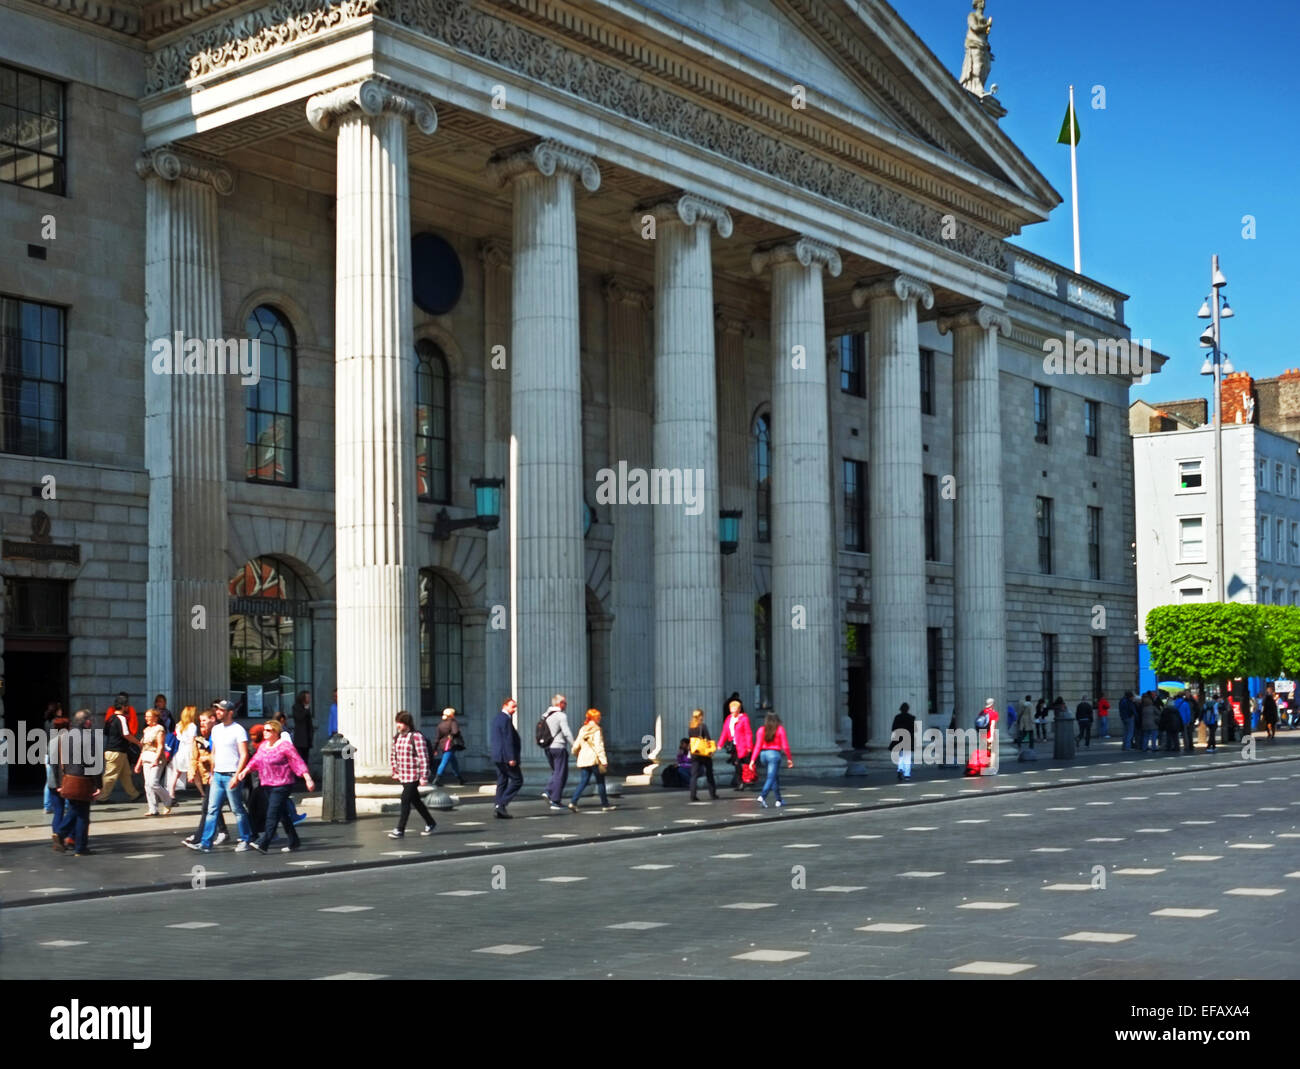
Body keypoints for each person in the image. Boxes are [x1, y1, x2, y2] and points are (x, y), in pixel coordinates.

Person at [233, 718, 315, 851]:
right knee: (282, 814)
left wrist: (307, 778)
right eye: (264, 730)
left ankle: (264, 842)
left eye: (268, 730)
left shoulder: (285, 746)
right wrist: (245, 771)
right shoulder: (264, 746)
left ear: (276, 732)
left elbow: (297, 762)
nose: (265, 732)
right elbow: (256, 760)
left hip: (282, 784)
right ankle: (294, 841)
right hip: (267, 785)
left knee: (272, 813)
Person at [184, 700, 253, 852]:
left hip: (231, 774)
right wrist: (212, 773)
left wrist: (237, 775)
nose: (218, 712)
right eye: (217, 710)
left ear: (230, 712)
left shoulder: (238, 730)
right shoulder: (216, 730)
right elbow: (214, 753)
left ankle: (245, 839)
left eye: (221, 710)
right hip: (218, 775)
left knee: (237, 809)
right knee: (212, 809)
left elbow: (244, 754)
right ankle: (205, 842)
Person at [54, 710, 101, 856]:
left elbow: (57, 763)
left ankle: (66, 837)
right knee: (82, 814)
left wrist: (59, 782)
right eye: (90, 720)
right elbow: (94, 763)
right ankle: (77, 845)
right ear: (86, 721)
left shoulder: (64, 737)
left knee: (76, 810)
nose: (91, 722)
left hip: (69, 778)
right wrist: (99, 785)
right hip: (83, 779)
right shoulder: (90, 737)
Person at [387, 711, 437, 839]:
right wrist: (395, 771)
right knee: (416, 801)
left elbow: (423, 757)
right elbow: (394, 755)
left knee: (405, 800)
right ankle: (430, 822)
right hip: (403, 775)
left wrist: (424, 776)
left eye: (401, 722)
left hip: (413, 775)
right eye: (397, 722)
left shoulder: (416, 737)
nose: (398, 725)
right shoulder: (397, 737)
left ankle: (400, 829)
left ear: (407, 723)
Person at [183, 710, 228, 847]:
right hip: (210, 776)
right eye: (200, 722)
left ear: (213, 719)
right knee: (212, 806)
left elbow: (220, 754)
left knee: (230, 807)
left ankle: (201, 837)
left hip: (221, 774)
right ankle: (220, 832)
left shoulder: (219, 733)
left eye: (204, 721)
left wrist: (208, 760)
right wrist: (192, 773)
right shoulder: (201, 739)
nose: (201, 724)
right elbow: (194, 758)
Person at [569, 708, 615, 811]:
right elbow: (599, 746)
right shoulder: (597, 730)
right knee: (600, 781)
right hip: (594, 759)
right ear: (595, 718)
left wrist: (576, 753)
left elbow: (576, 745)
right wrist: (604, 760)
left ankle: (573, 802)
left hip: (584, 759)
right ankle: (605, 805)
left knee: (584, 781)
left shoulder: (583, 729)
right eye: (598, 717)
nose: (599, 719)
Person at [99, 696, 142, 803]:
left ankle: (134, 794)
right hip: (116, 751)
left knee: (125, 774)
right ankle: (102, 797)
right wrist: (137, 742)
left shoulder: (110, 718)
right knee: (110, 775)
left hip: (114, 750)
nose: (128, 708)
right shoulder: (121, 718)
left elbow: (106, 732)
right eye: (127, 705)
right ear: (123, 706)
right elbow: (126, 734)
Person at [134, 707, 174, 816]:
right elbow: (144, 748)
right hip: (146, 758)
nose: (146, 718)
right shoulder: (146, 730)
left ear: (155, 717)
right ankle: (153, 808)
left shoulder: (159, 729)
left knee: (153, 783)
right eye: (146, 716)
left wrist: (156, 759)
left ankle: (168, 800)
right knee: (147, 785)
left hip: (156, 758)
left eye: (149, 716)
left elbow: (160, 746)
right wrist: (139, 764)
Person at [748, 711, 792, 808]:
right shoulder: (780, 730)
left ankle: (779, 800)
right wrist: (789, 758)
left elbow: (757, 746)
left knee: (774, 777)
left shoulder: (761, 730)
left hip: (763, 754)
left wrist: (752, 760)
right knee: (771, 777)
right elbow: (785, 746)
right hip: (774, 755)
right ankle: (762, 796)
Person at [541, 694, 575, 810]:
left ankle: (550, 793)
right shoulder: (561, 716)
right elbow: (566, 732)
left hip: (548, 748)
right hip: (559, 747)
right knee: (561, 774)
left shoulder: (546, 715)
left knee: (556, 772)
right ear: (559, 704)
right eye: (564, 702)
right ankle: (554, 798)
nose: (566, 705)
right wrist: (574, 745)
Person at [491, 698, 523, 818]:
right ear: (505, 706)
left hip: (498, 756)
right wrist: (511, 757)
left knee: (502, 781)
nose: (515, 709)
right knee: (517, 780)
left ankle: (499, 808)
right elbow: (507, 739)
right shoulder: (505, 719)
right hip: (506, 757)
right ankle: (501, 804)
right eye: (513, 706)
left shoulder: (497, 718)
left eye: (515, 707)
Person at [717, 699, 753, 790]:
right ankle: (740, 782)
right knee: (736, 763)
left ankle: (745, 780)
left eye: (735, 711)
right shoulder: (729, 719)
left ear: (739, 710)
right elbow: (725, 732)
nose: (733, 713)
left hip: (742, 745)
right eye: (731, 711)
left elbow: (748, 733)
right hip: (733, 745)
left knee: (743, 763)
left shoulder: (744, 719)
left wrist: (749, 746)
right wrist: (720, 744)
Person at [166, 706, 198, 801]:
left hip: (179, 750)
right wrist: (194, 754)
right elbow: (192, 741)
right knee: (194, 771)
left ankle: (171, 793)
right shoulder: (192, 726)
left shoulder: (178, 725)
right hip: (188, 750)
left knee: (176, 773)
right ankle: (202, 792)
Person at [687, 709, 718, 801]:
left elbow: (690, 739)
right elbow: (708, 739)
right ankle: (712, 794)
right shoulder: (702, 726)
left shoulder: (691, 727)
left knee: (694, 775)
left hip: (695, 753)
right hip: (703, 753)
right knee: (709, 773)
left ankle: (693, 795)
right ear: (701, 716)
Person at [433, 706, 465, 787]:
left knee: (454, 762)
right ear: (451, 715)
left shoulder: (440, 724)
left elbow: (437, 738)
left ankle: (460, 778)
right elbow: (455, 731)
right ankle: (437, 779)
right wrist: (452, 735)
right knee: (444, 761)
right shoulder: (453, 722)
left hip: (443, 745)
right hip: (450, 745)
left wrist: (435, 749)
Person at [891, 702, 916, 781]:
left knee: (901, 756)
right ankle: (907, 774)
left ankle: (900, 769)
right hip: (908, 739)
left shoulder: (897, 717)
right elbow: (914, 730)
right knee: (907, 757)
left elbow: (893, 729)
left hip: (899, 739)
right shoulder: (911, 718)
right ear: (908, 709)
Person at [292, 690, 313, 763]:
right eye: (307, 697)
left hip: (307, 738)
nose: (309, 699)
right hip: (300, 738)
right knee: (300, 758)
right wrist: (306, 710)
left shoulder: (307, 707)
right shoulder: (296, 707)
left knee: (306, 758)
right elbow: (299, 718)